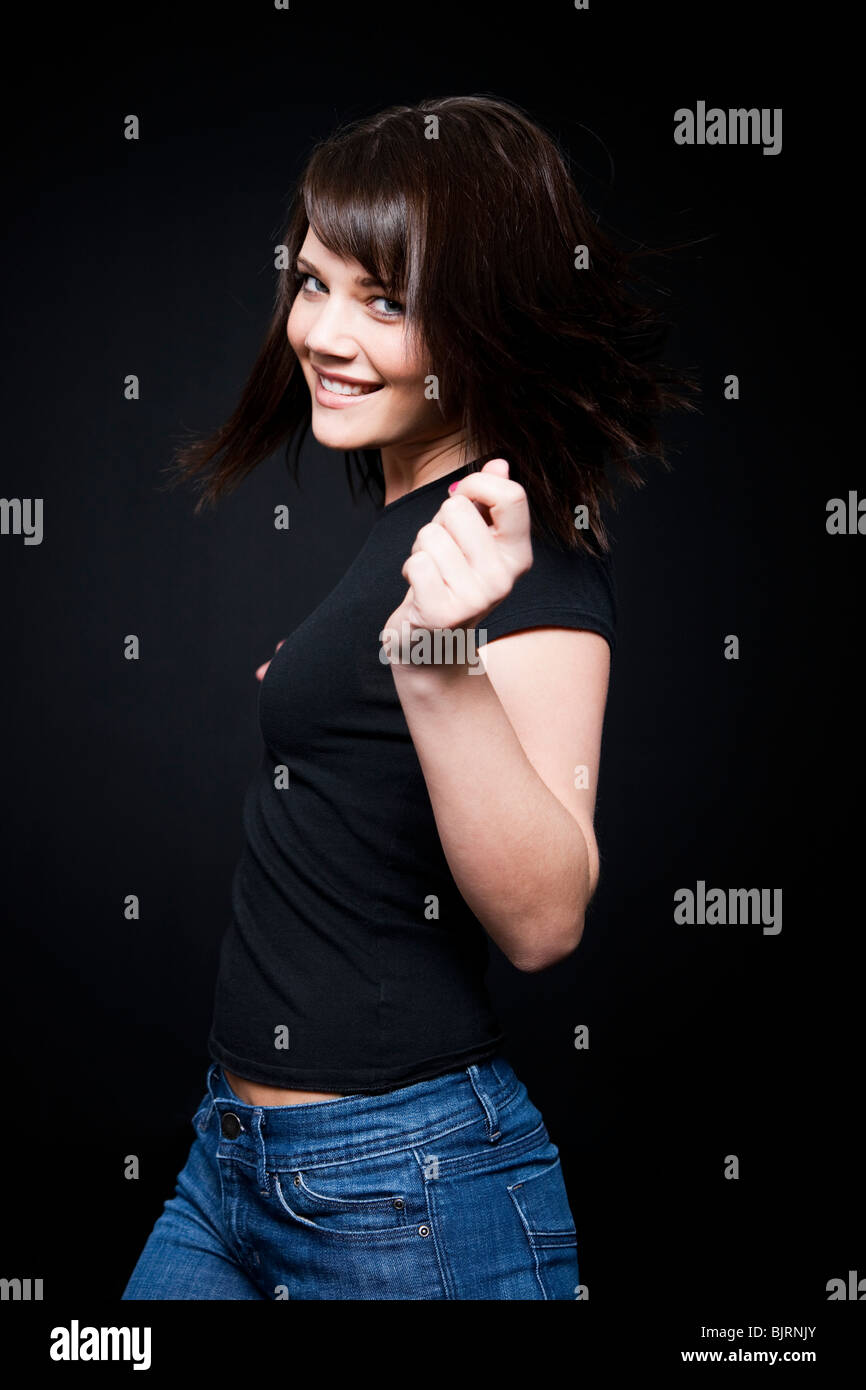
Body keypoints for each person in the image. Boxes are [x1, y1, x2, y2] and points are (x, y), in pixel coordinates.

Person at [122, 94, 696, 1300]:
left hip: (405, 1185)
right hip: (233, 1157)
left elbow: (545, 917)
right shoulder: (407, 526)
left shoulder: (516, 550)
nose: (325, 333)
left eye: (385, 301)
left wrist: (436, 663)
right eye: (316, 282)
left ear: (483, 319)